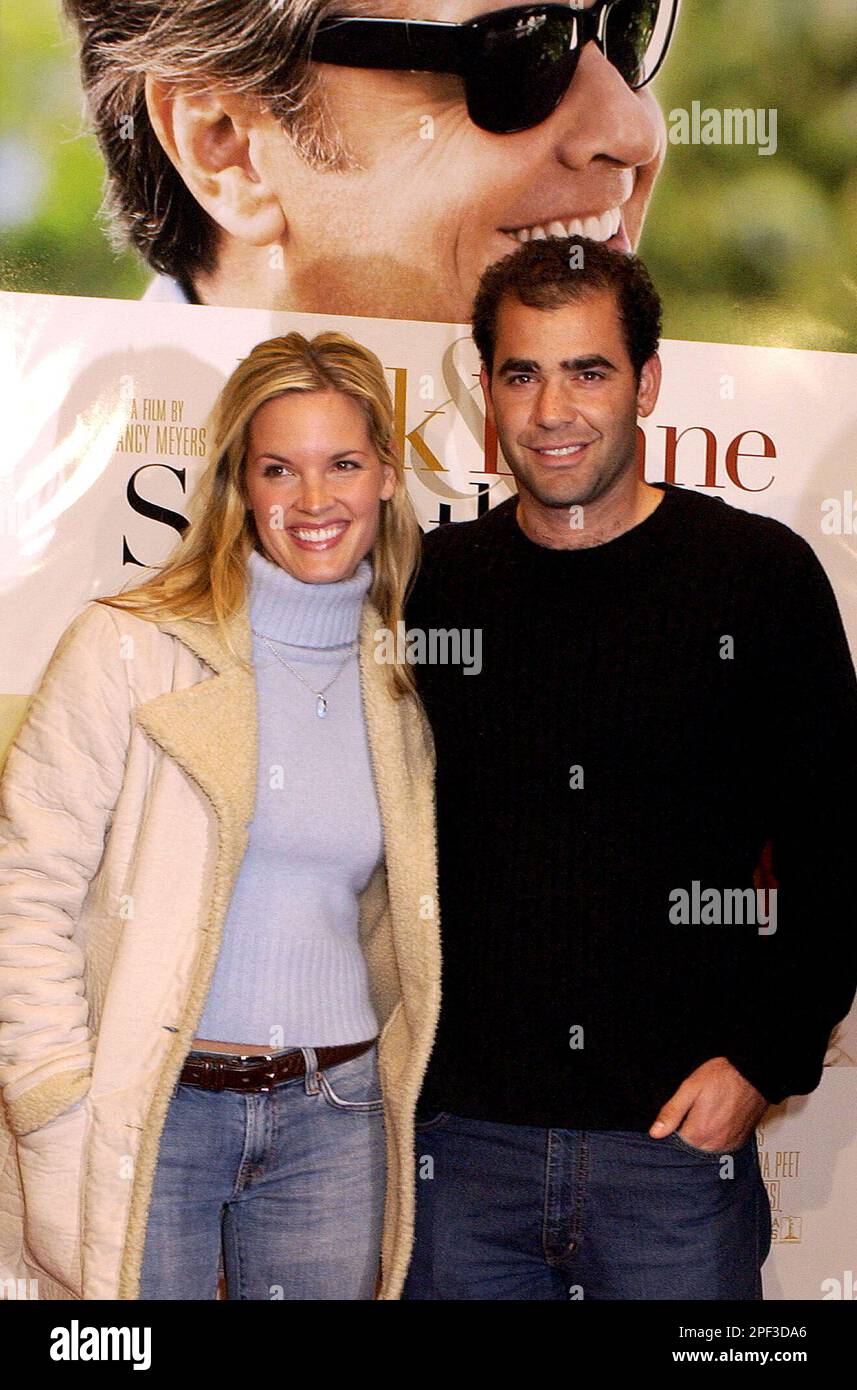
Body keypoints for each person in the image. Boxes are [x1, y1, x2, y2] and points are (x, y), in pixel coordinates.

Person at [401, 235, 857, 1300]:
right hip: (462, 1151)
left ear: (646, 381)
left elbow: (834, 850)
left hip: (673, 1157)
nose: (552, 409)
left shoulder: (757, 581)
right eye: (522, 373)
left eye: (586, 370)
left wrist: (760, 1059)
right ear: (486, 391)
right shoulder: (432, 588)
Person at [0, 331, 441, 1300]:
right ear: (239, 483)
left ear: (384, 477)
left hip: (335, 1117)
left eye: (342, 464)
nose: (314, 499)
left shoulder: (407, 674)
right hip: (155, 1109)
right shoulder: (126, 647)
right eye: (278, 467)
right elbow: (22, 889)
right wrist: (50, 1095)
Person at [61, 0, 678, 318]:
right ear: (226, 146)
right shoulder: (33, 553)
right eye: (519, 52)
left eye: (630, 25)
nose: (633, 131)